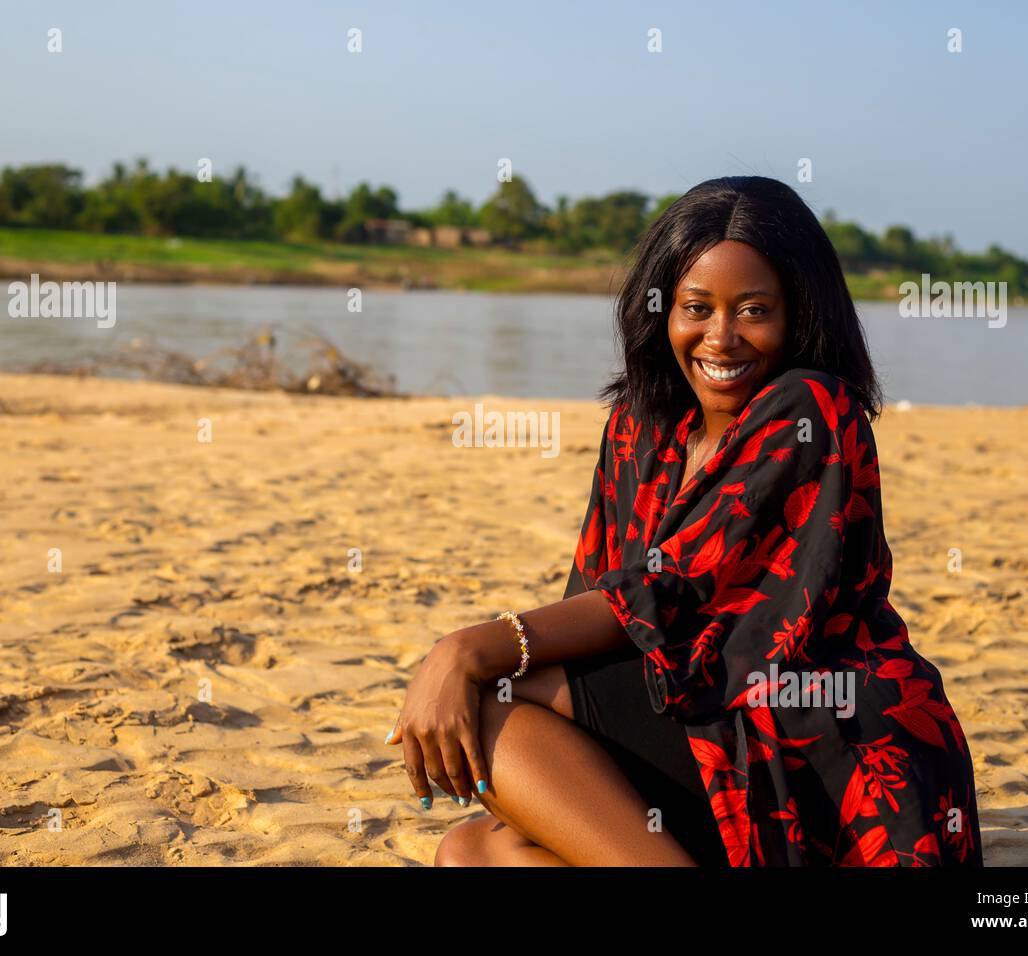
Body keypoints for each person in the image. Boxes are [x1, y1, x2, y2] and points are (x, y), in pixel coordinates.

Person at [388, 176, 982, 867]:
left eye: (754, 310)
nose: (720, 337)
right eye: (696, 307)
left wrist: (464, 650)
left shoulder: (811, 411)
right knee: (470, 853)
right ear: (661, 309)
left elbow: (666, 594)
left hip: (811, 727)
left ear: (799, 313)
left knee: (493, 699)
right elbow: (598, 598)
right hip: (696, 715)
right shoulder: (639, 428)